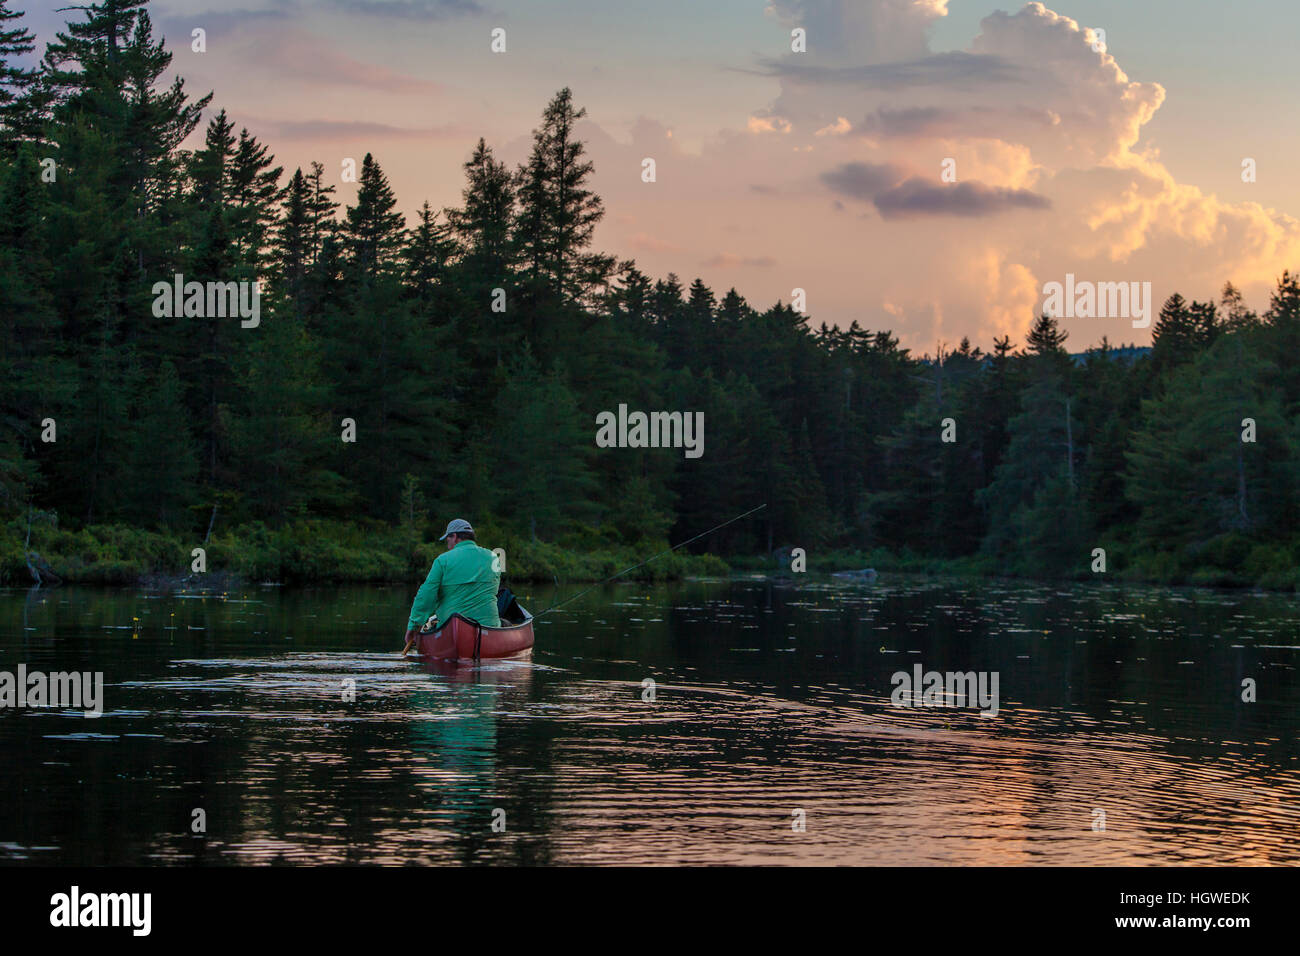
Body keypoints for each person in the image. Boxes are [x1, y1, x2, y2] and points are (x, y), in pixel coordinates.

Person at [401, 518, 500, 654]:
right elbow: (494, 589)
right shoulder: (493, 557)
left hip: (450, 634)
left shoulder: (443, 560)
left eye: (448, 538)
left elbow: (426, 596)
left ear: (455, 536)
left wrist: (414, 626)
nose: (447, 543)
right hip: (489, 630)